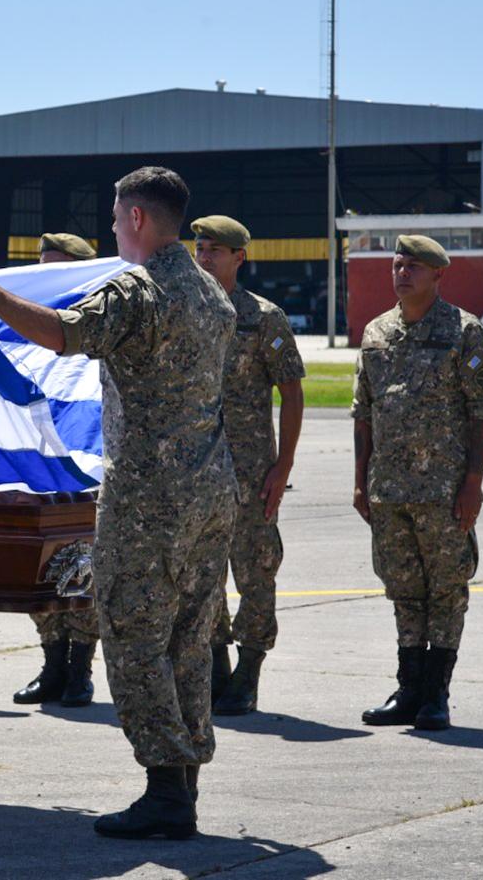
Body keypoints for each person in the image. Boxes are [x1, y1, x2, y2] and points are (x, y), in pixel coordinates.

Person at [0, 167, 235, 840]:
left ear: (135, 219)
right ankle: (183, 780)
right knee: (189, 637)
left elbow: (63, 332)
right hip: (211, 491)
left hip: (151, 496)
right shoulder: (213, 295)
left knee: (130, 631)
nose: (110, 226)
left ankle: (164, 786)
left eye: (114, 214)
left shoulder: (139, 287)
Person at [353, 234, 483, 733]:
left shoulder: (464, 332)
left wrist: (473, 483)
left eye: (415, 266)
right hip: (388, 491)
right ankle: (409, 688)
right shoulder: (376, 332)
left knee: (446, 588)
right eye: (398, 264)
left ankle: (436, 692)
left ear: (438, 275)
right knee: (402, 589)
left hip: (443, 491)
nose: (403, 273)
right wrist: (360, 481)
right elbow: (364, 413)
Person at [190, 216, 305, 717]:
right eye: (200, 248)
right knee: (202, 575)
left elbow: (293, 392)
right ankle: (215, 665)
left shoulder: (263, 318)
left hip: (252, 472)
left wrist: (283, 466)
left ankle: (249, 669)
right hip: (196, 471)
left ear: (240, 257)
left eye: (215, 250)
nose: (205, 257)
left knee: (255, 574)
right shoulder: (188, 311)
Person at [15, 231, 103, 709]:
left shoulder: (102, 321)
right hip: (40, 463)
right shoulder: (24, 325)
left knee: (84, 567)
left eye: (57, 270)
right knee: (42, 566)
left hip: (89, 460)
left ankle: (80, 669)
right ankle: (52, 663)